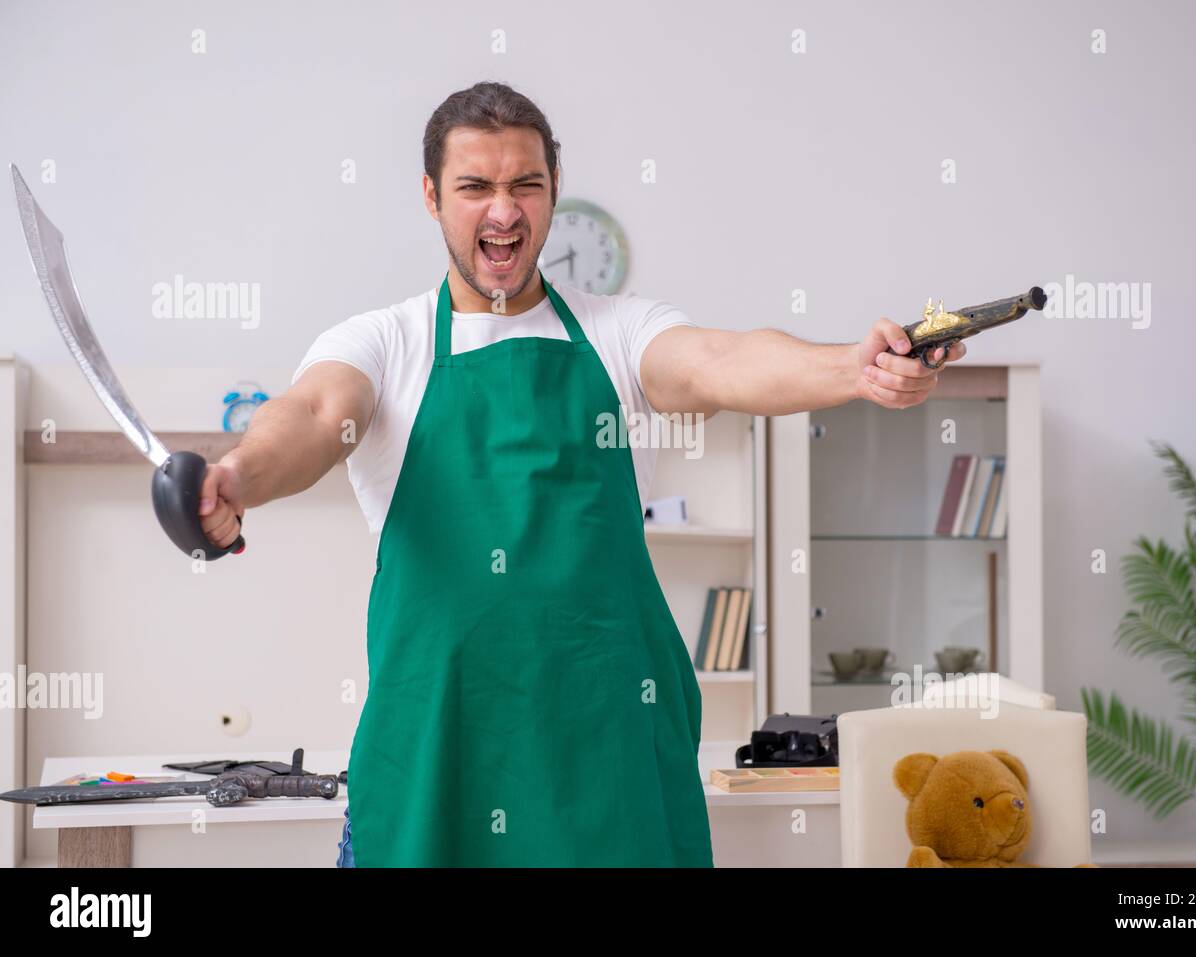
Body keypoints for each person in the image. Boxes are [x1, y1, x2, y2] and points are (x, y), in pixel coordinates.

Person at [197, 81, 965, 867]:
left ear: (553, 190)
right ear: (432, 196)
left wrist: (853, 366)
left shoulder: (618, 331)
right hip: (438, 759)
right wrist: (239, 476)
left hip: (607, 766)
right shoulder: (384, 342)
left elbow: (720, 361)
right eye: (475, 187)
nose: (504, 211)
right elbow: (318, 417)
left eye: (525, 184)